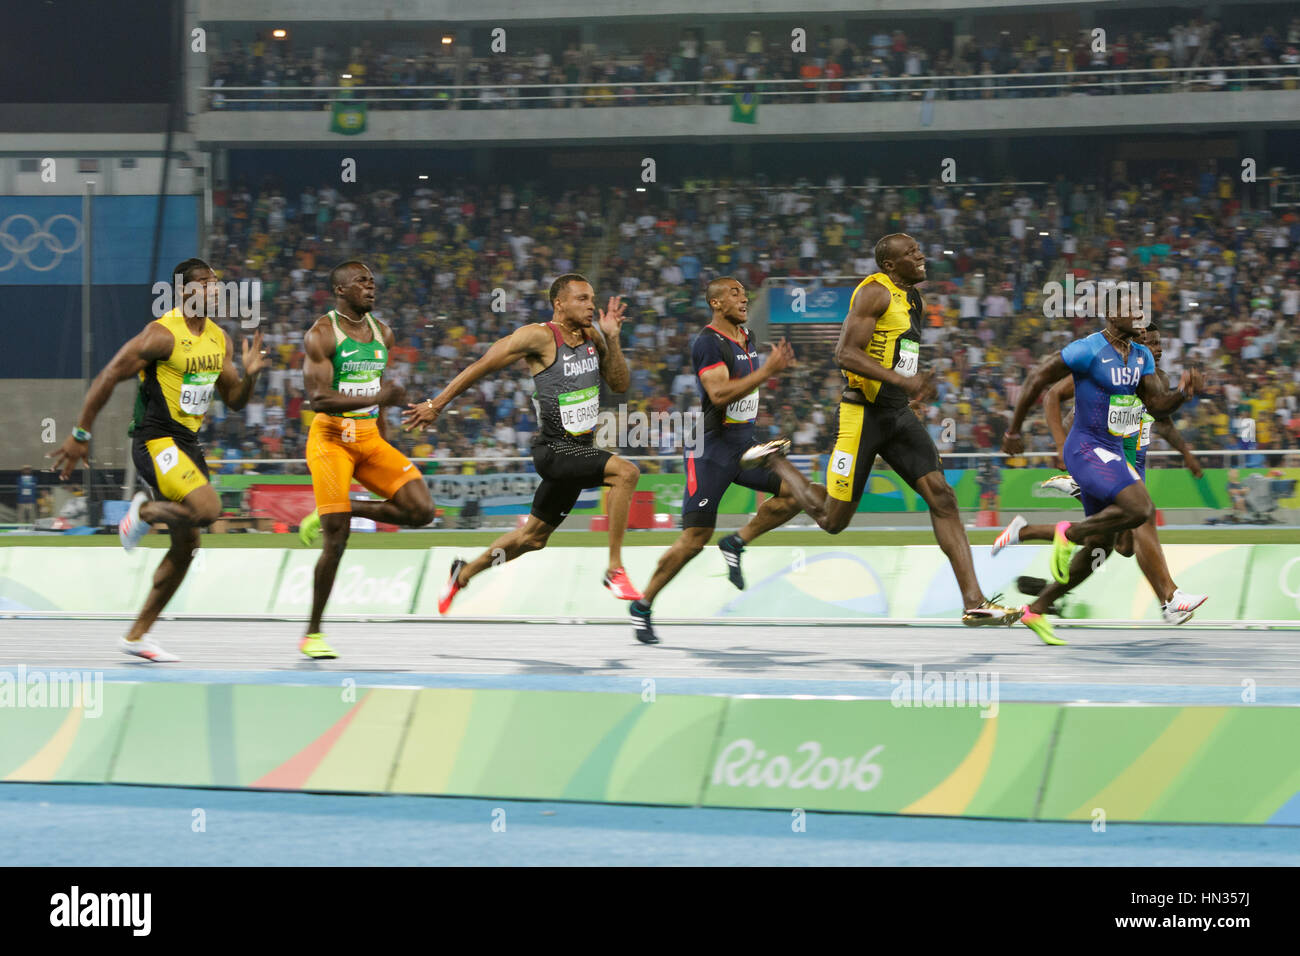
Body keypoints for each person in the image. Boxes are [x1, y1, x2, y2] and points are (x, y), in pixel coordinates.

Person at [744, 233, 1021, 626]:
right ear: (890, 265)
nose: (921, 255)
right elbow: (845, 353)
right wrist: (905, 381)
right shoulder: (874, 292)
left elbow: (896, 351)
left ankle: (974, 602)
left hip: (897, 414)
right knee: (832, 521)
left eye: (919, 249)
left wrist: (906, 386)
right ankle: (777, 462)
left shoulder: (912, 298)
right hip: (863, 417)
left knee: (942, 496)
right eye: (911, 253)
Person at [49, 258, 265, 662]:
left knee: (188, 546)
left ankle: (136, 636)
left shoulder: (220, 339)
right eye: (205, 283)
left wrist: (249, 376)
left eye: (217, 284)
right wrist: (81, 434)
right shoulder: (161, 335)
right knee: (208, 508)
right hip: (155, 439)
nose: (215, 290)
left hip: (189, 444)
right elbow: (109, 374)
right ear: (184, 291)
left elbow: (234, 401)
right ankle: (144, 512)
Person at [402, 273, 643, 611]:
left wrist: (613, 339)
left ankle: (463, 573)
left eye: (592, 298)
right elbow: (483, 365)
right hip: (554, 451)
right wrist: (437, 404)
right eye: (582, 299)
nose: (592, 305)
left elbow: (619, 384)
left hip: (580, 451)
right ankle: (615, 569)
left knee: (533, 538)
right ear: (559, 304)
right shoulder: (539, 337)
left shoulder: (593, 338)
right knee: (626, 472)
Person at [994, 310, 1204, 644]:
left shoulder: (1149, 373)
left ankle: (1038, 597)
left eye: (1160, 343)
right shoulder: (1104, 360)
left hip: (1131, 457)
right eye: (1150, 342)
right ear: (1134, 339)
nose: (1157, 348)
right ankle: (1170, 599)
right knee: (1142, 517)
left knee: (1105, 547)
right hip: (1106, 457)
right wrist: (1062, 445)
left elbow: (1162, 418)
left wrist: (1187, 452)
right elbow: (1052, 393)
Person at [630, 277, 806, 644]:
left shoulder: (747, 338)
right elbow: (720, 393)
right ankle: (643, 605)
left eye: (745, 292)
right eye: (735, 293)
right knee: (695, 538)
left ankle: (737, 542)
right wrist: (767, 371)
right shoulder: (708, 342)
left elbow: (744, 395)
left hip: (743, 441)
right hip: (709, 447)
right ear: (715, 303)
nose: (744, 298)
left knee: (797, 492)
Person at [296, 261, 436, 660]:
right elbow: (319, 399)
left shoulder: (383, 333)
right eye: (362, 281)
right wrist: (378, 399)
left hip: (370, 437)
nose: (371, 287)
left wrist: (385, 437)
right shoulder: (321, 334)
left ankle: (336, 509)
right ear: (340, 290)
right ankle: (313, 633)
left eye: (373, 281)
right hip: (331, 439)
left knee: (422, 510)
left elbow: (378, 392)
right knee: (337, 540)